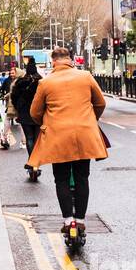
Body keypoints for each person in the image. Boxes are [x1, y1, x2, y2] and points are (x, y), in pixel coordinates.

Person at [27, 46, 108, 238]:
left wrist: (47, 123)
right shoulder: (86, 76)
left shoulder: (46, 83)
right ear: (70, 60)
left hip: (58, 137)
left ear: (53, 61)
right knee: (82, 177)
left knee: (61, 179)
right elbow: (100, 103)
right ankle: (79, 220)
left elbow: (35, 113)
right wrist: (90, 120)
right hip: (84, 134)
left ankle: (67, 220)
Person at [11, 57, 42, 179]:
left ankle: (31, 160)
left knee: (29, 138)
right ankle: (36, 163)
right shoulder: (41, 81)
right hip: (38, 114)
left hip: (25, 113)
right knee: (37, 139)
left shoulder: (21, 82)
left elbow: (14, 97)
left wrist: (19, 109)